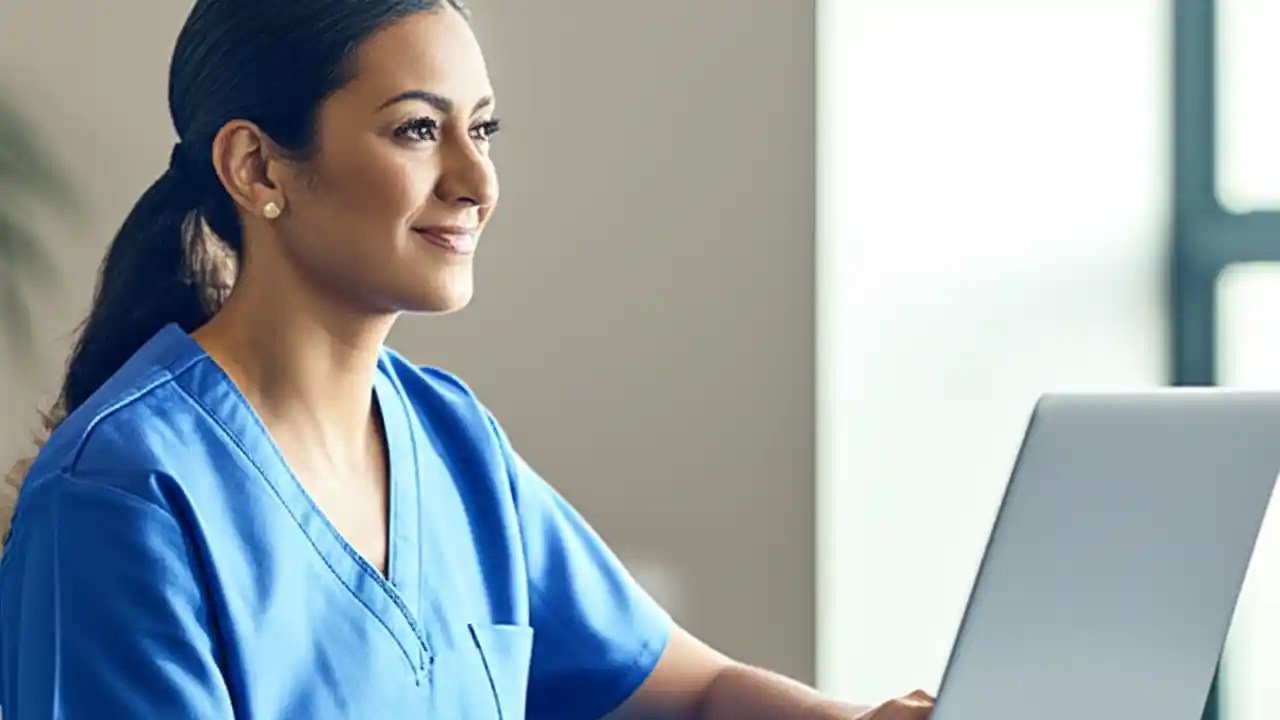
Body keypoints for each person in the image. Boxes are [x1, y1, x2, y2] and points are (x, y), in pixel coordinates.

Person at [0, 2, 934, 718]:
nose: (477, 181)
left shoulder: (451, 441)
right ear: (258, 168)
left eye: (481, 129)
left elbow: (694, 691)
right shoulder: (121, 497)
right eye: (417, 129)